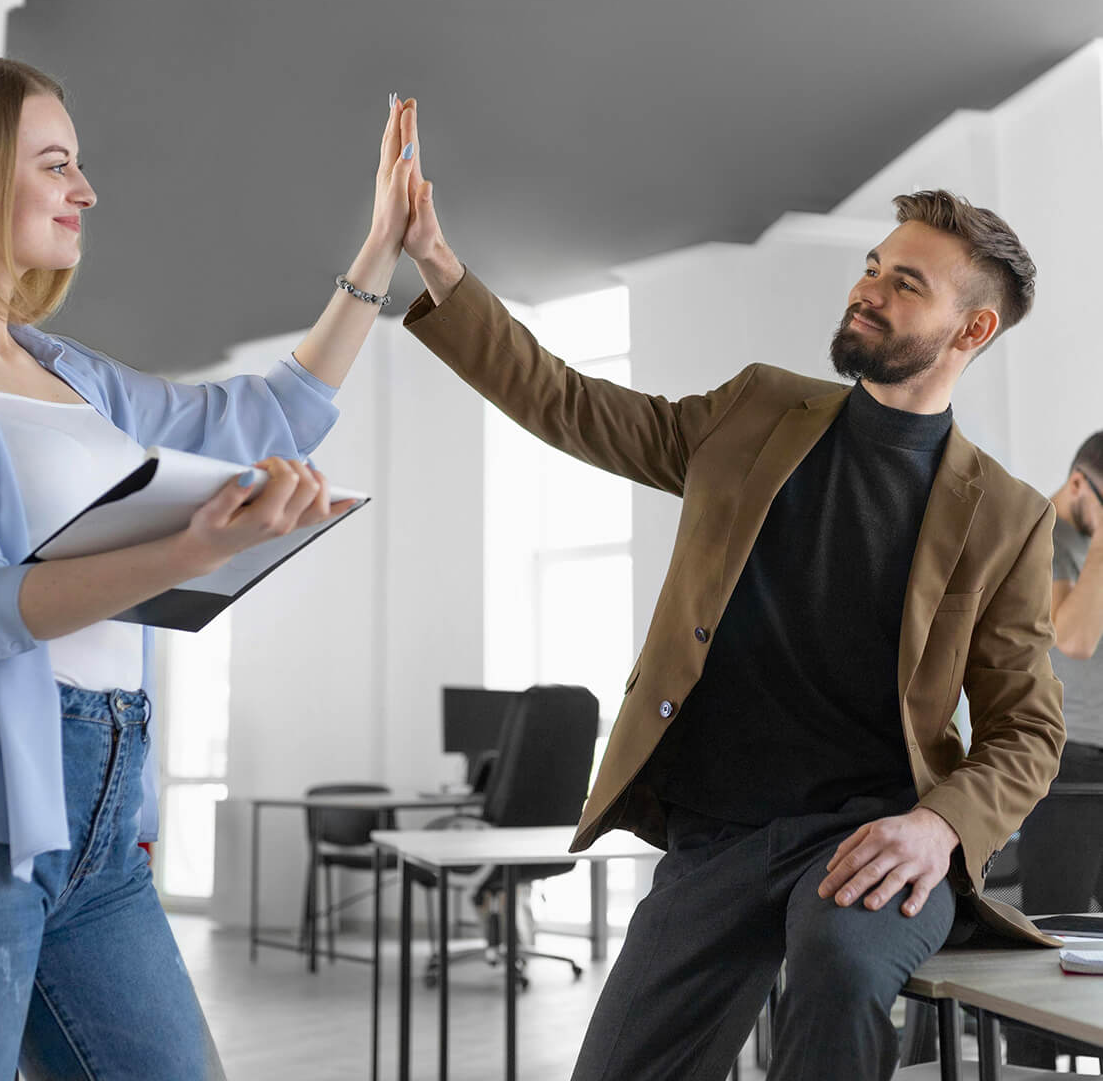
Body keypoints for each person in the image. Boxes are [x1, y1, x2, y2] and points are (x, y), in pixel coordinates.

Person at [0, 51, 419, 1080]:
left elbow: (260, 418)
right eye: (56, 165)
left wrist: (378, 257)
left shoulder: (72, 374)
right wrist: (190, 549)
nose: (84, 190)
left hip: (103, 830)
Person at [396, 158, 1064, 1080]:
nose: (867, 290)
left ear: (973, 327)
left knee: (836, 968)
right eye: (872, 265)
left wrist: (939, 827)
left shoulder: (1007, 514)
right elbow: (572, 405)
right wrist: (436, 262)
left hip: (870, 837)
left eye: (904, 283)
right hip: (718, 837)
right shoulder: (757, 411)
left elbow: (1026, 729)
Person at [1006, 432, 1103, 1068]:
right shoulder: (1039, 534)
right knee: (1046, 955)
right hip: (1065, 767)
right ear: (1078, 485)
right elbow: (1074, 638)